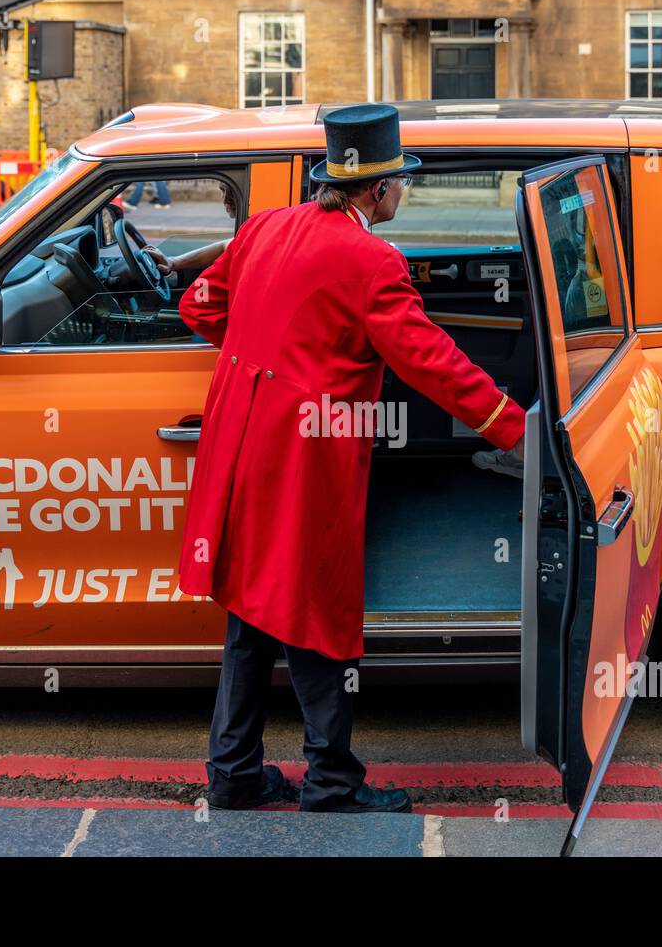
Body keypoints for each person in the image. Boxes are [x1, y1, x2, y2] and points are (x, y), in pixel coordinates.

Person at [178, 104, 526, 814]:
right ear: (376, 190)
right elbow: (432, 362)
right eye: (401, 181)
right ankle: (332, 779)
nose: (406, 192)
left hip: (241, 443)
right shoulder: (374, 261)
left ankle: (235, 770)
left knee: (250, 608)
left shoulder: (265, 227)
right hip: (304, 458)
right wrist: (516, 428)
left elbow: (200, 306)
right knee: (316, 611)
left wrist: (275, 358)